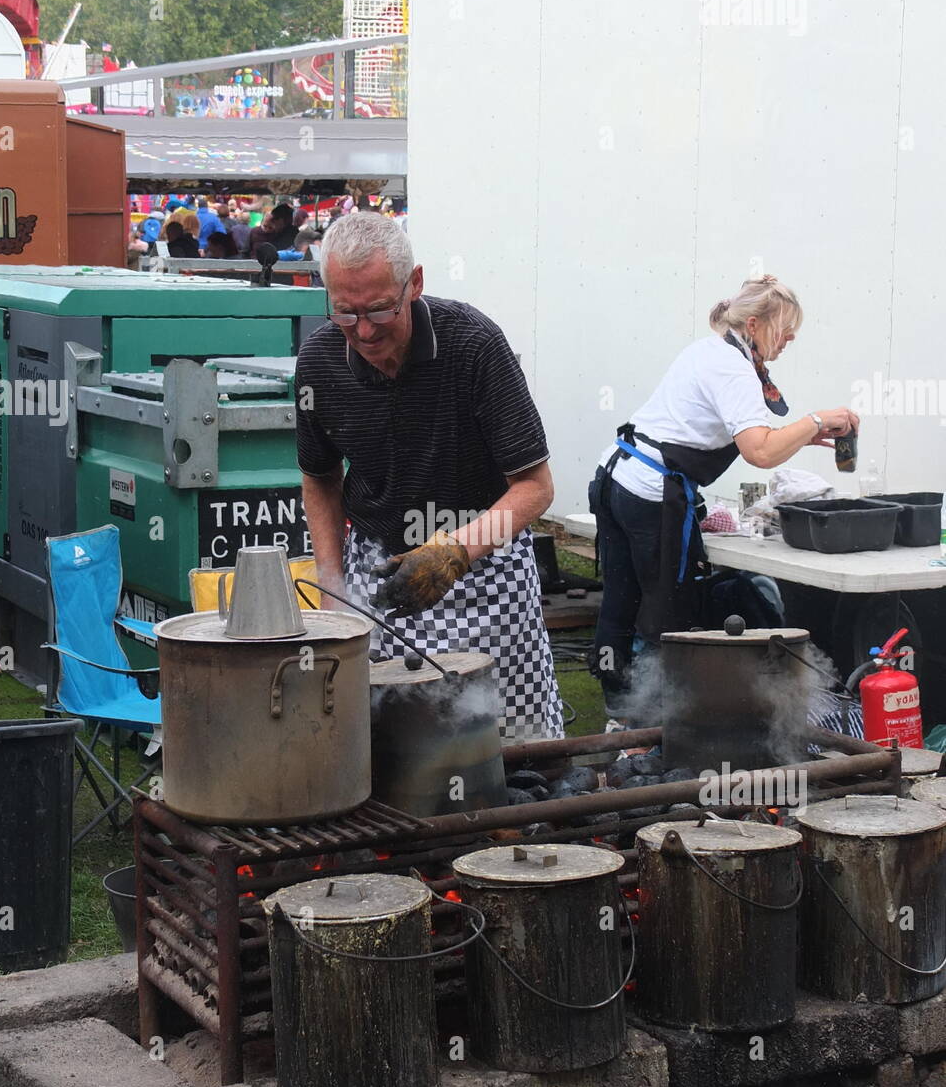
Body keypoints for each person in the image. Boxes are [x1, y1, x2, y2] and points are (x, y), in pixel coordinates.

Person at [296, 214, 563, 741]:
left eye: (379, 310)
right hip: (378, 576)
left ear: (414, 284)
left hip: (486, 573)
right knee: (395, 747)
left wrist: (455, 552)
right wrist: (331, 588)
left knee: (514, 746)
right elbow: (320, 478)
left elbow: (536, 487)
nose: (364, 331)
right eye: (345, 313)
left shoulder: (474, 345)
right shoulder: (318, 363)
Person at [587, 274, 860, 720]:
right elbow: (760, 451)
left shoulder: (708, 350)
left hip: (617, 476)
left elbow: (755, 435)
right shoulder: (733, 367)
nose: (791, 338)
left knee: (622, 599)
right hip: (652, 493)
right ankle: (654, 723)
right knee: (666, 610)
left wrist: (802, 436)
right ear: (753, 324)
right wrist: (814, 419)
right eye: (784, 328)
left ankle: (620, 715)